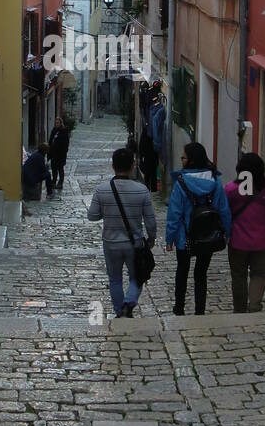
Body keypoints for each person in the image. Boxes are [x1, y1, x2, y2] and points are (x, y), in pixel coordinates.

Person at [87, 147, 157, 318]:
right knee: (137, 277)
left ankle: (120, 311)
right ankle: (129, 303)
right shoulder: (142, 190)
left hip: (110, 242)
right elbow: (150, 220)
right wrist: (152, 238)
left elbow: (92, 216)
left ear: (113, 166)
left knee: (115, 279)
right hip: (135, 243)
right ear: (133, 166)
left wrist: (108, 210)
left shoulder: (102, 190)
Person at [166, 141, 232, 316]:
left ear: (192, 160)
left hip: (184, 237)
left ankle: (179, 307)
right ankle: (199, 310)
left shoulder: (181, 182)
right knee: (201, 273)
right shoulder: (215, 180)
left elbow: (174, 213)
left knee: (182, 271)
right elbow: (223, 209)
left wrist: (169, 238)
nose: (181, 159)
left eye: (184, 157)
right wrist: (226, 232)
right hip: (208, 235)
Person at [224, 153, 265, 313]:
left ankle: (239, 309)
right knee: (259, 274)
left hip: (237, 241)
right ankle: (254, 306)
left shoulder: (231, 189)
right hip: (260, 242)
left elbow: (224, 215)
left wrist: (226, 234)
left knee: (238, 276)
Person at [48, 116, 70, 190]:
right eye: (55, 123)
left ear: (61, 123)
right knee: (54, 169)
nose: (56, 124)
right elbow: (50, 141)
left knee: (60, 168)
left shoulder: (64, 131)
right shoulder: (54, 130)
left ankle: (60, 183)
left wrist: (64, 152)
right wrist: (49, 153)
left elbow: (66, 144)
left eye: (57, 123)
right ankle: (54, 181)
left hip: (60, 154)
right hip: (53, 154)